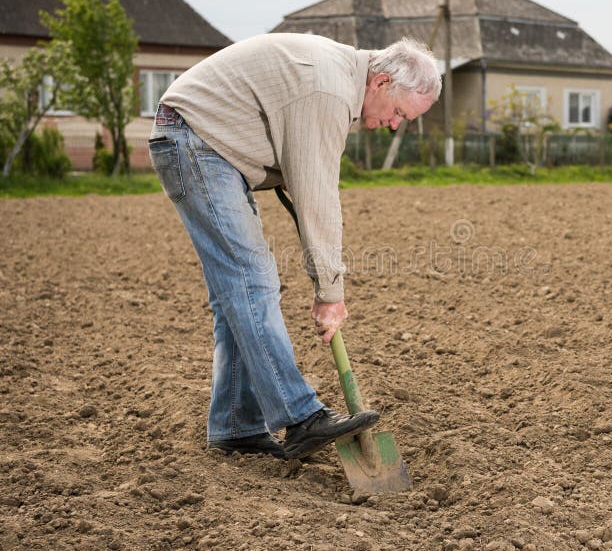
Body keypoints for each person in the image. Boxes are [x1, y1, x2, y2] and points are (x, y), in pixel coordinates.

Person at [149, 33, 440, 460]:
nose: (395, 124)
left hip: (211, 146)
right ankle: (300, 417)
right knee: (252, 281)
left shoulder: (338, 78)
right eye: (398, 112)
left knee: (241, 292)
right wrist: (329, 294)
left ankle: (236, 426)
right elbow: (317, 195)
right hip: (196, 140)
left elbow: (305, 176)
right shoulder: (328, 90)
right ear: (379, 83)